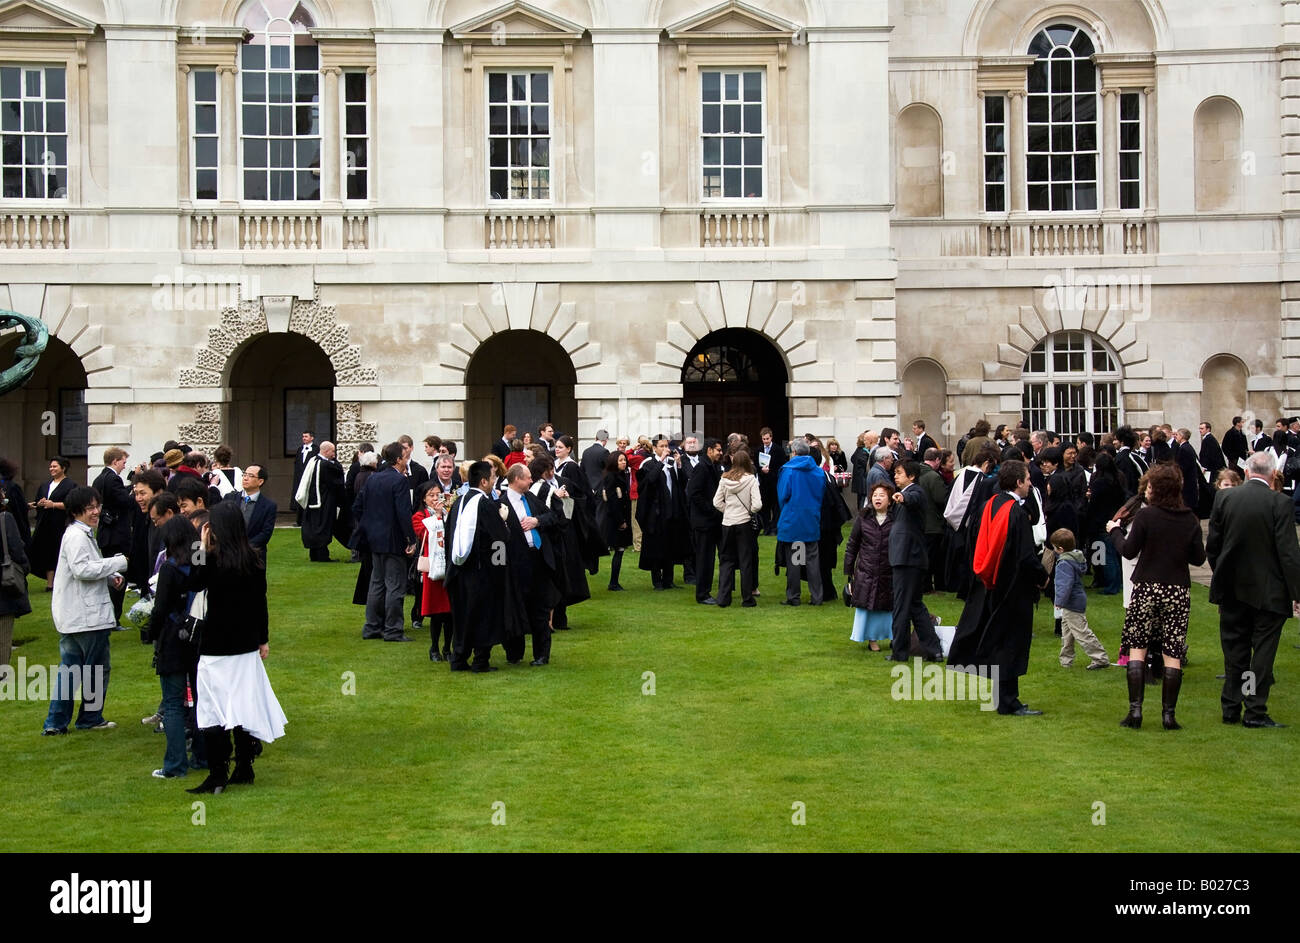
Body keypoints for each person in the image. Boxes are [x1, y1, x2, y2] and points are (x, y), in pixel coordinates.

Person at [186, 502, 287, 794]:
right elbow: (261, 603)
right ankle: (244, 766)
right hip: (244, 642)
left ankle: (219, 772)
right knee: (242, 703)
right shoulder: (253, 560)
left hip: (217, 643)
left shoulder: (213, 560)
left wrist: (201, 548)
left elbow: (194, 581)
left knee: (213, 707)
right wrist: (263, 638)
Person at [1107, 464, 1206, 730]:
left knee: (1138, 647)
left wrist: (1114, 530)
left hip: (1147, 585)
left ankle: (1135, 712)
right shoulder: (1189, 519)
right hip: (1176, 588)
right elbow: (1198, 558)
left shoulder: (1147, 516)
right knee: (1172, 650)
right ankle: (1168, 715)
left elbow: (1128, 551)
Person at [948, 460, 1050, 716]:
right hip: (1011, 588)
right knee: (1010, 644)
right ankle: (1007, 701)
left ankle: (1002, 697)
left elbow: (974, 542)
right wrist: (1044, 578)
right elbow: (1026, 556)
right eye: (1027, 479)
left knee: (996, 640)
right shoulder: (1015, 512)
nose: (1029, 484)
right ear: (1018, 482)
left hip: (987, 584)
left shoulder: (988, 505)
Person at [1206, 451, 1300, 728]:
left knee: (1235, 649)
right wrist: (1297, 592)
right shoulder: (1279, 503)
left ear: (1247, 472)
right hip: (1268, 591)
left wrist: (1221, 573)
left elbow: (1214, 546)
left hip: (1232, 587)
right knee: (1262, 652)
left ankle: (1232, 706)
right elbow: (1288, 553)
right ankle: (1254, 709)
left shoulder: (1224, 498)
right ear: (1272, 475)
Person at [43, 486, 129, 735]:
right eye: (90, 508)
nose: (96, 512)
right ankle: (90, 717)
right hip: (86, 617)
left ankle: (56, 723)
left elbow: (84, 567)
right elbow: (82, 569)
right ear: (77, 511)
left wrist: (109, 575)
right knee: (96, 669)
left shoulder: (79, 534)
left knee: (69, 671)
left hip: (76, 615)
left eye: (97, 506)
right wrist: (119, 563)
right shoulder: (78, 535)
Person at [444, 461, 525, 672]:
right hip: (482, 572)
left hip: (457, 570)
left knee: (462, 616)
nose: (494, 481)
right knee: (484, 616)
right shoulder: (486, 504)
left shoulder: (458, 502)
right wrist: (505, 522)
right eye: (492, 478)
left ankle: (459, 659)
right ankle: (481, 661)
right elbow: (500, 539)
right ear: (483, 481)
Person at [142, 515, 201, 779]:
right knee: (201, 700)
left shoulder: (169, 568)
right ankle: (202, 756)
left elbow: (161, 608)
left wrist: (150, 632)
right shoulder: (201, 558)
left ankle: (176, 765)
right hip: (199, 635)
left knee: (174, 703)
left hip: (175, 638)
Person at [352, 442, 419, 642]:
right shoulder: (399, 481)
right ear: (398, 459)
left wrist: (371, 525)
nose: (407, 460)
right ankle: (393, 629)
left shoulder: (373, 479)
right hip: (393, 540)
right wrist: (411, 538)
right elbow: (403, 513)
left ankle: (372, 627)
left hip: (374, 539)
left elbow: (357, 507)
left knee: (377, 584)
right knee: (395, 586)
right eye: (405, 456)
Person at [500, 463, 561, 666]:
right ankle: (514, 652)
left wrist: (537, 521)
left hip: (537, 560)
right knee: (514, 606)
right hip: (515, 563)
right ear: (517, 479)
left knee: (540, 608)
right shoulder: (501, 504)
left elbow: (553, 516)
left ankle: (542, 654)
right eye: (527, 477)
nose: (531, 480)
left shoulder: (531, 499)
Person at [888, 461, 944, 662]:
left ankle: (900, 652)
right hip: (908, 557)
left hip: (908, 558)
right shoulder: (909, 493)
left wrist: (902, 497)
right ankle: (933, 650)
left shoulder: (915, 492)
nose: (895, 476)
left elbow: (911, 499)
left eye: (899, 473)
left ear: (911, 476)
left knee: (902, 606)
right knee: (914, 606)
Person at [845, 482, 895, 651]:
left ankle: (894, 637)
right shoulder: (864, 517)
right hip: (867, 569)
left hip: (889, 569)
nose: (877, 498)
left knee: (889, 606)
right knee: (868, 604)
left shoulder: (896, 518)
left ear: (889, 499)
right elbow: (853, 544)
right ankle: (871, 639)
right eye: (875, 495)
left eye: (882, 495)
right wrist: (849, 569)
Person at [1050, 528, 1108, 669]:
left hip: (1071, 602)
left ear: (1061, 549)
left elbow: (1065, 585)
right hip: (1075, 600)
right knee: (1067, 632)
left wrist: (1059, 602)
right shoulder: (1076, 558)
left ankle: (1100, 658)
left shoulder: (1064, 564)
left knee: (1081, 632)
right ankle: (1066, 660)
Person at [777, 438, 824, 606]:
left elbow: (783, 496)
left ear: (794, 452)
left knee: (795, 560)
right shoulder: (818, 471)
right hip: (811, 518)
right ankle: (817, 596)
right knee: (812, 560)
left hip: (794, 519)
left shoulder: (788, 470)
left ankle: (794, 596)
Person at [636, 437, 688, 590]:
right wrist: (661, 461)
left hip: (672, 510)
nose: (666, 449)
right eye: (662, 446)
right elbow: (649, 482)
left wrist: (679, 464)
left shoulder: (672, 463)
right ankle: (657, 581)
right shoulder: (648, 464)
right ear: (654, 448)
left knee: (671, 546)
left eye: (667, 446)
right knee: (656, 547)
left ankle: (668, 580)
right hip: (655, 513)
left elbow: (682, 483)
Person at [713, 449, 761, 608]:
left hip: (727, 524)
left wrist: (727, 511)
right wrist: (749, 511)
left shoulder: (724, 479)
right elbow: (757, 504)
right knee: (745, 561)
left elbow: (716, 502)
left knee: (726, 561)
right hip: (744, 523)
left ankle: (723, 598)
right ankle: (747, 598)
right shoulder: (751, 479)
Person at [411, 481, 453, 662]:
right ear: (424, 498)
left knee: (450, 612)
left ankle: (447, 648)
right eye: (431, 495)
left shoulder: (447, 513)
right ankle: (434, 647)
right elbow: (424, 535)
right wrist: (437, 516)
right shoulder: (419, 516)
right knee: (437, 612)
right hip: (432, 568)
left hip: (449, 565)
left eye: (438, 494)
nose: (436, 499)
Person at [687, 438, 724, 605]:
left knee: (710, 559)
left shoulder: (714, 467)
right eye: (718, 450)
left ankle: (707, 591)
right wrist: (712, 509)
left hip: (712, 521)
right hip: (704, 523)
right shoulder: (701, 468)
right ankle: (702, 594)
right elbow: (694, 493)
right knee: (704, 559)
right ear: (709, 450)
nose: (720, 452)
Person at [29, 456, 74, 590]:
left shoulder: (70, 485)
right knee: (47, 552)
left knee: (58, 552)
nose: (52, 469)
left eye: (55, 466)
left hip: (60, 524)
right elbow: (39, 502)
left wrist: (53, 504)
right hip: (45, 524)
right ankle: (50, 584)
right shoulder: (45, 485)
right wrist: (40, 503)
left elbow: (71, 503)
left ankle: (62, 582)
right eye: (50, 466)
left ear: (63, 468)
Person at [297, 441, 347, 562]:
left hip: (313, 501)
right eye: (332, 451)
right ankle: (322, 556)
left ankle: (314, 555)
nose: (334, 454)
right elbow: (337, 478)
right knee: (322, 528)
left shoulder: (314, 461)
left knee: (315, 528)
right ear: (325, 451)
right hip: (324, 502)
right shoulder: (325, 465)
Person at [0, 484, 31, 668]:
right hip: (4, 581)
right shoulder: (5, 519)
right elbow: (17, 549)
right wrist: (24, 567)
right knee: (3, 633)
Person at [225, 464, 276, 564]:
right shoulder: (230, 498)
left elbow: (265, 533)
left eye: (251, 476)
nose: (245, 478)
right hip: (229, 554)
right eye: (244, 474)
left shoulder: (269, 506)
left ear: (260, 481)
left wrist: (245, 548)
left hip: (254, 555)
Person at [600, 450, 633, 591]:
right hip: (616, 520)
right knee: (619, 550)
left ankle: (614, 581)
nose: (623, 462)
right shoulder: (611, 477)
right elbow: (612, 501)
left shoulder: (621, 475)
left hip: (621, 517)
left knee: (620, 550)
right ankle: (613, 582)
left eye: (624, 460)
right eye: (620, 460)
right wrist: (621, 521)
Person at [756, 427, 786, 535]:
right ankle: (767, 527)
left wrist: (770, 471)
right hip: (763, 483)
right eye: (764, 439)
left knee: (775, 506)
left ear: (771, 437)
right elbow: (755, 465)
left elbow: (782, 465)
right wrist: (761, 470)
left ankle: (774, 528)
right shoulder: (759, 449)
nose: (765, 441)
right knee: (765, 506)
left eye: (767, 439)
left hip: (775, 482)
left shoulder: (778, 449)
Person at [292, 431, 317, 525]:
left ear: (312, 438)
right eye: (303, 436)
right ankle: (299, 520)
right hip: (299, 478)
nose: (304, 438)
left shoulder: (315, 449)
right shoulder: (300, 449)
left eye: (306, 436)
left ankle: (309, 520)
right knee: (300, 496)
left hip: (310, 477)